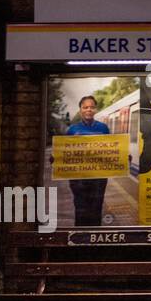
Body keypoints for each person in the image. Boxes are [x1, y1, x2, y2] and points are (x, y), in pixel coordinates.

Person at [65, 95, 110, 226]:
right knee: (80, 209)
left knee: (96, 209)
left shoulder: (103, 128)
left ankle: (95, 241)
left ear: (95, 110)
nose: (88, 110)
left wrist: (123, 157)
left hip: (98, 179)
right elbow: (64, 153)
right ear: (80, 110)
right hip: (78, 180)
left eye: (91, 107)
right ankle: (79, 239)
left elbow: (113, 149)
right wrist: (56, 159)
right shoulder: (72, 130)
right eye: (85, 107)